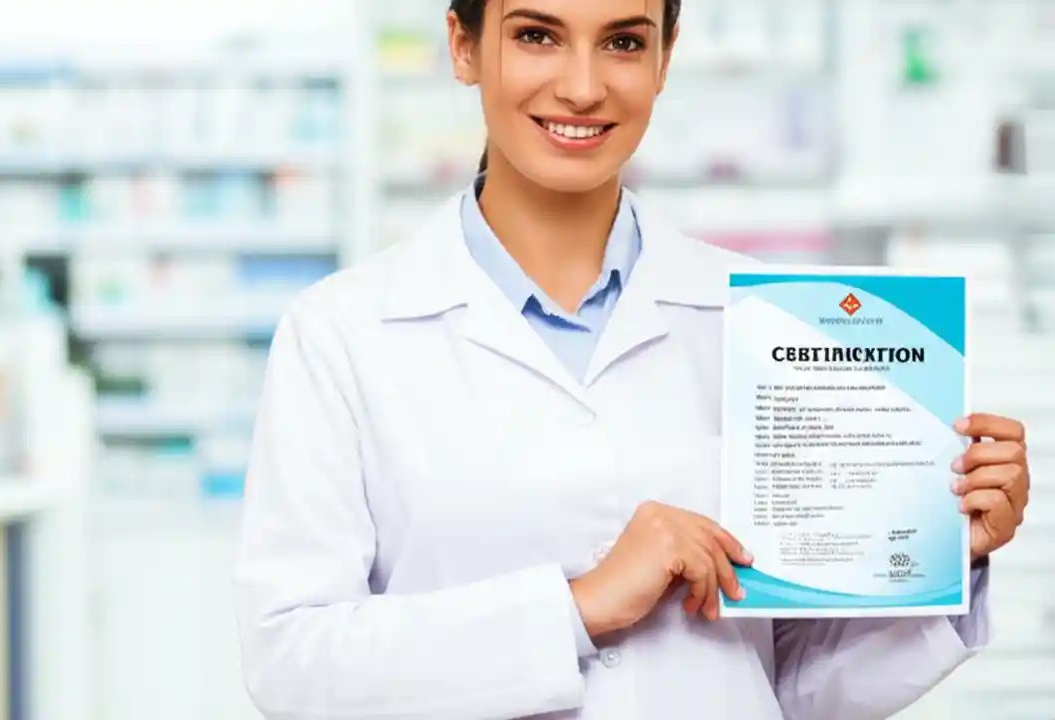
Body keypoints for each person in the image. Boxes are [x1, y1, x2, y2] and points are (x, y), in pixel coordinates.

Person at [234, 1, 1032, 717]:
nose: (582, 87)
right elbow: (295, 666)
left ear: (665, 57)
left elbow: (789, 688)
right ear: (464, 45)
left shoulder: (768, 323)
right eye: (538, 35)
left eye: (621, 41)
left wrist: (932, 552)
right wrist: (577, 608)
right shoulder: (341, 333)